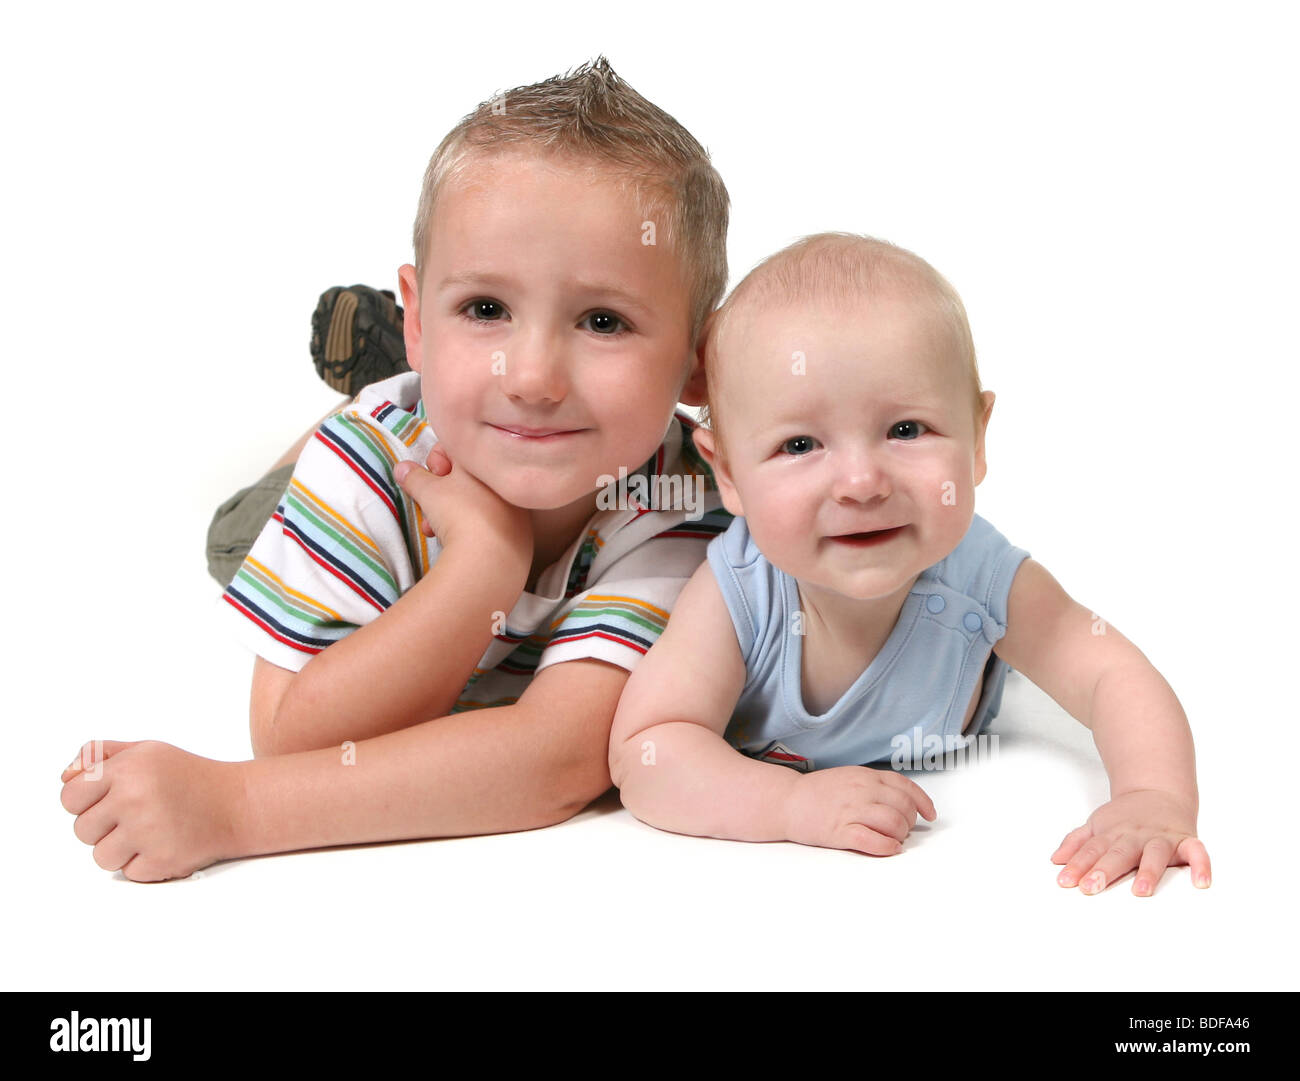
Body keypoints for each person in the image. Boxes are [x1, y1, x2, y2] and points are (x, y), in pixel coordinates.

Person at [59, 57, 733, 881]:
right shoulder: (369, 459)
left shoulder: (683, 499)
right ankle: (364, 389)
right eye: (485, 309)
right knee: (234, 533)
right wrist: (483, 570)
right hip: (378, 495)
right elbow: (294, 737)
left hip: (457, 450)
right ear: (422, 317)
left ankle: (417, 361)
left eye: (602, 320)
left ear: (701, 364)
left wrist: (241, 808)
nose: (531, 377)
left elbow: (558, 760)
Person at [608, 232, 1212, 897]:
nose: (862, 482)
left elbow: (1113, 673)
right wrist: (789, 805)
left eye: (905, 430)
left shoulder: (979, 575)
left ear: (977, 440)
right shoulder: (740, 590)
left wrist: (1153, 793)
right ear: (728, 474)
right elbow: (648, 750)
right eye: (800, 443)